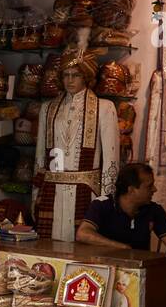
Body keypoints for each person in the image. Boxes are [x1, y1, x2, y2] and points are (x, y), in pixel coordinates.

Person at [33, 39, 120, 241]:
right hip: (52, 189)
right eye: (66, 75)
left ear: (86, 77)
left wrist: (106, 200)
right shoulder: (48, 108)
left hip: (87, 190)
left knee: (83, 245)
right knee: (49, 243)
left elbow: (111, 159)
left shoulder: (104, 107)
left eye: (76, 75)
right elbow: (40, 155)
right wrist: (36, 190)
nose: (69, 80)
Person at [76, 162, 166, 256]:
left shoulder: (154, 210)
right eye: (149, 186)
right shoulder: (102, 205)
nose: (154, 189)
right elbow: (83, 234)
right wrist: (121, 248)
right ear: (131, 190)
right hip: (107, 269)